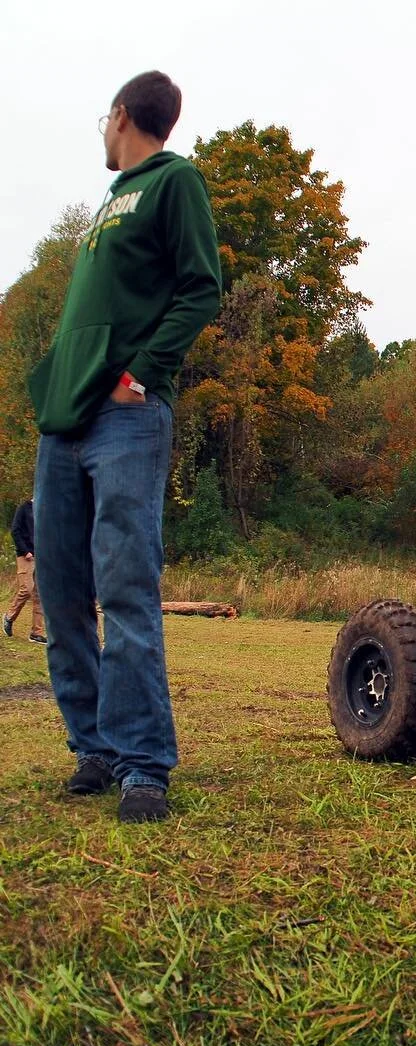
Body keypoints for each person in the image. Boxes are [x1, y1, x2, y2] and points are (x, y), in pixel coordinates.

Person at [27, 72, 222, 823]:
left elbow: (202, 288)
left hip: (125, 417)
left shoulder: (174, 182)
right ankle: (96, 748)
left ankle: (144, 764)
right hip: (65, 419)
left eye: (103, 118)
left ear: (121, 116)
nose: (100, 133)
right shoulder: (107, 204)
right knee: (61, 591)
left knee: (125, 585)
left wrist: (143, 374)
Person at [4, 499, 47, 643]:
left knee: (40, 594)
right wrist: (25, 551)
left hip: (40, 556)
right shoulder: (24, 507)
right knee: (27, 589)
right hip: (25, 556)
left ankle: (37, 632)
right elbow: (15, 530)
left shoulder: (44, 509)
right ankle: (9, 616)